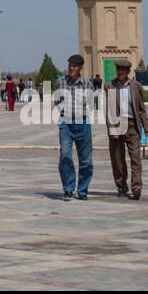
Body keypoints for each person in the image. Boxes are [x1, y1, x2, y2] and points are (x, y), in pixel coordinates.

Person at [105, 58, 148, 200]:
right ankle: (121, 186)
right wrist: (112, 128)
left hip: (132, 126)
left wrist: (146, 127)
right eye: (119, 70)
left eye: (124, 70)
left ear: (128, 72)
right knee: (117, 159)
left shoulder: (136, 86)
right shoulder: (110, 86)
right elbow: (109, 110)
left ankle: (136, 186)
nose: (121, 72)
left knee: (135, 158)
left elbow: (141, 108)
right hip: (117, 125)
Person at [53, 55, 94, 200]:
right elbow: (57, 101)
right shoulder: (60, 82)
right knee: (65, 155)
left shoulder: (88, 84)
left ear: (80, 68)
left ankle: (82, 190)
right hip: (66, 124)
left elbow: (91, 104)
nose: (72, 68)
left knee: (86, 160)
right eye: (70, 65)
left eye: (75, 66)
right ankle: (68, 188)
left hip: (83, 124)